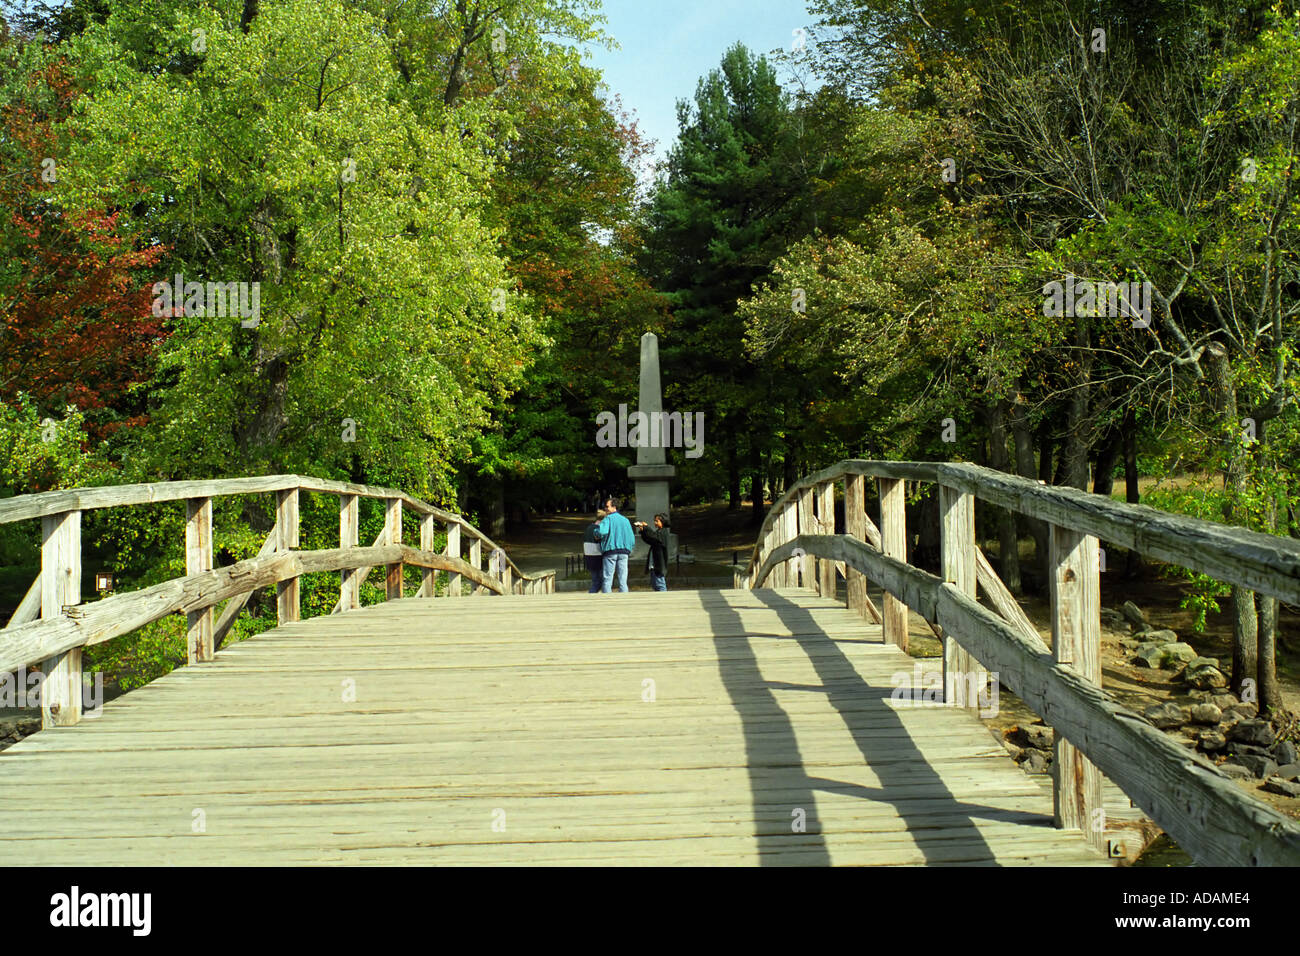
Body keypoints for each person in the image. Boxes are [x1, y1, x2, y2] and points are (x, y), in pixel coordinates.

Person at [596, 497, 635, 593]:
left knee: (607, 578)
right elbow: (631, 538)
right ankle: (624, 597)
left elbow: (601, 532)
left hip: (610, 551)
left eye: (607, 506)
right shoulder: (625, 520)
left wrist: (595, 531)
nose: (605, 508)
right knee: (623, 579)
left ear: (614, 507)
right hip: (624, 551)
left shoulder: (608, 519)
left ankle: (607, 598)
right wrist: (629, 548)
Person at [634, 513, 671, 592]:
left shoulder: (663, 532)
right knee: (655, 585)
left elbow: (654, 537)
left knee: (660, 585)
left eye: (657, 521)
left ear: (663, 522)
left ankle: (664, 598)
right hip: (654, 564)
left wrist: (646, 527)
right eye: (654, 521)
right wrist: (643, 530)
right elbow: (649, 539)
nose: (655, 523)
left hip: (659, 564)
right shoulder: (659, 532)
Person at [583, 507, 606, 593]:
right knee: (601, 581)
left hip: (588, 555)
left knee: (595, 580)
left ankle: (592, 593)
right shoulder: (599, 529)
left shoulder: (588, 528)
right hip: (598, 555)